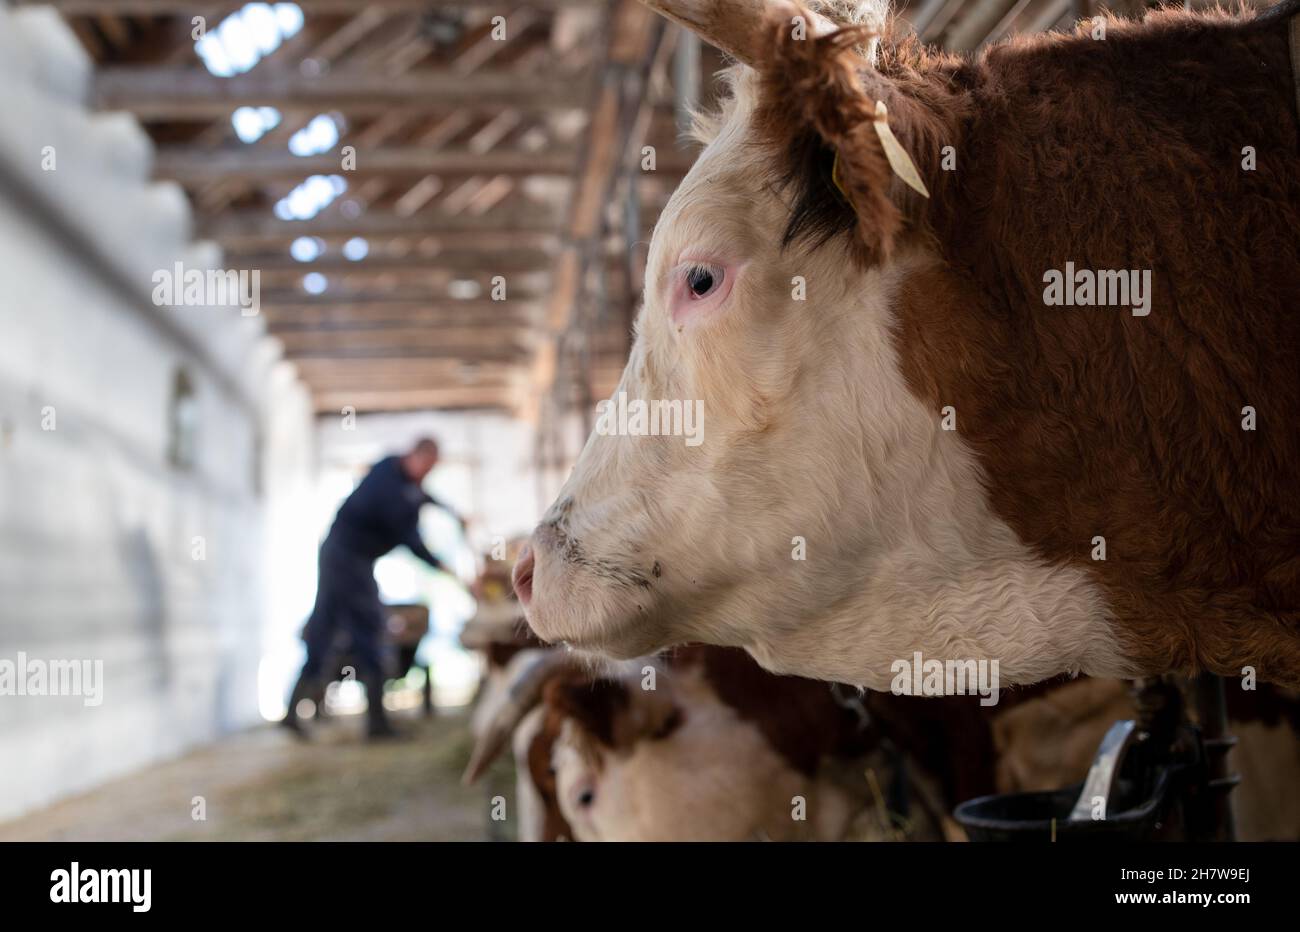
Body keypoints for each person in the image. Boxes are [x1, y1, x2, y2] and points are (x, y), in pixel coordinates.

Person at [282, 437, 465, 739]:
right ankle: (377, 725)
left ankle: (291, 713)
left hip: (335, 555)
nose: (427, 476)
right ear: (418, 456)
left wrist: (450, 511)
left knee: (322, 630)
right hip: (349, 561)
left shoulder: (391, 468)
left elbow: (421, 496)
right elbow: (411, 539)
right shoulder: (394, 493)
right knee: (371, 630)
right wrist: (443, 567)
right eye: (427, 468)